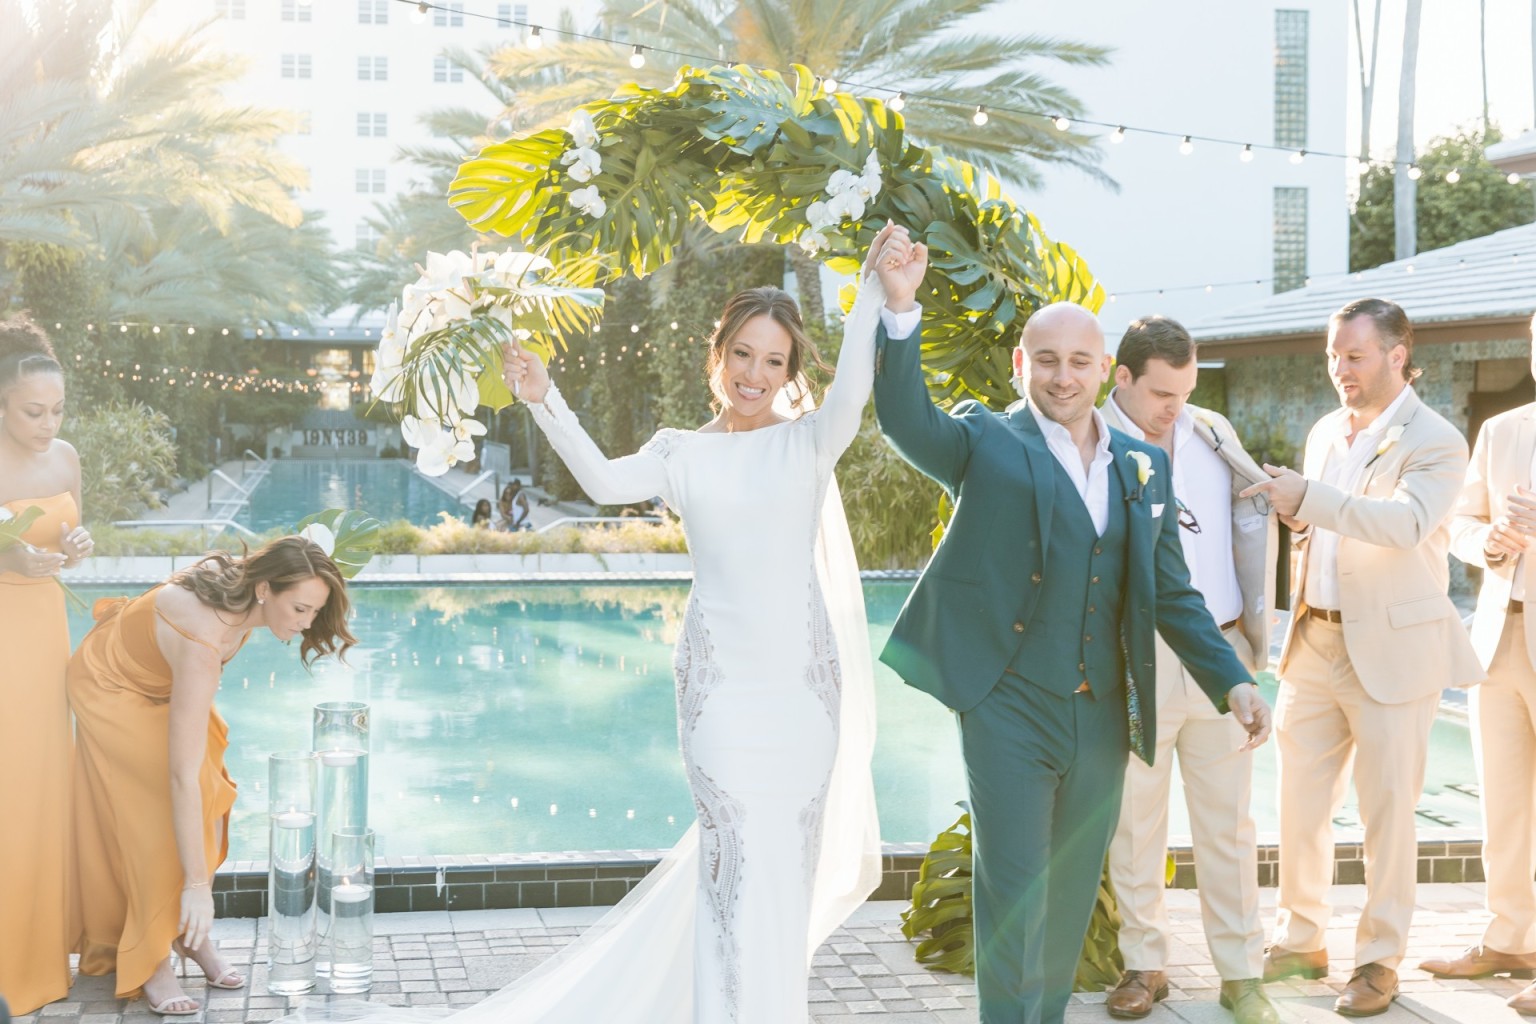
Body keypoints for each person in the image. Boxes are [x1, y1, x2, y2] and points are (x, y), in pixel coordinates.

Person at [465, 225, 907, 1023]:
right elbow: (600, 481)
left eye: (774, 361)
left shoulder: (812, 443)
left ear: (790, 372)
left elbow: (854, 383)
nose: (756, 374)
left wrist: (876, 284)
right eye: (744, 353)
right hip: (719, 695)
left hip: (803, 698)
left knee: (784, 877)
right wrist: (545, 399)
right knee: (732, 864)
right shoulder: (680, 453)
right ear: (720, 353)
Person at [872, 282, 1271, 1024]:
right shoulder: (987, 440)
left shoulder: (1140, 464)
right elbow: (904, 419)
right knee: (1014, 888)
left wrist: (1234, 683)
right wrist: (899, 312)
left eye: (1079, 361)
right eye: (1047, 360)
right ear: (1021, 363)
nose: (1063, 376)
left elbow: (1173, 592)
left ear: (1104, 369)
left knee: (1067, 892)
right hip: (1009, 708)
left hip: (1101, 715)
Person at [1243, 297, 1482, 1017]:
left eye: (1355, 355)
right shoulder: (1324, 433)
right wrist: (1298, 510)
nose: (1340, 369)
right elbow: (1325, 528)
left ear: (1399, 354)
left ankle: (1379, 961)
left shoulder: (1437, 439)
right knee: (1299, 807)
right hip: (1313, 641)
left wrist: (1309, 497)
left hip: (1393, 649)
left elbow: (1406, 524)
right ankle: (1301, 939)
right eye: (1333, 356)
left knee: (1387, 816)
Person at [68, 537, 356, 1014]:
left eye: (314, 611)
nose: (306, 624)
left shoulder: (247, 597)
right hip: (109, 684)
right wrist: (198, 888)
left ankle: (189, 935)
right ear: (266, 589)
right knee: (158, 808)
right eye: (301, 608)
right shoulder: (206, 637)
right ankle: (153, 956)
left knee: (210, 788)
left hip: (161, 682)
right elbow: (178, 775)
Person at [1097, 317, 1280, 1024]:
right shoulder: (1094, 443)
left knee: (1229, 824)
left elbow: (1246, 512)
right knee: (1136, 821)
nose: (1176, 405)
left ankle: (1242, 974)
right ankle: (1145, 966)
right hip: (1134, 654)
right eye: (1162, 393)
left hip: (1224, 649)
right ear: (1123, 379)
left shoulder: (1210, 430)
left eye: (1186, 389)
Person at [1426, 311, 1536, 1015]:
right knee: (1504, 804)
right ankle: (1510, 939)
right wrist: (1490, 539)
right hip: (1501, 635)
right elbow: (1456, 524)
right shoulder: (1503, 430)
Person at [0, 315, 93, 1013]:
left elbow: (71, 533)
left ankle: (38, 958)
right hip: (3, 625)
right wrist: (10, 557)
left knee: (43, 782)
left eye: (56, 409)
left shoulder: (66, 459)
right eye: (34, 410)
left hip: (46, 627)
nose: (47, 422)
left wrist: (78, 543)